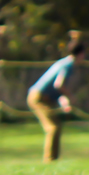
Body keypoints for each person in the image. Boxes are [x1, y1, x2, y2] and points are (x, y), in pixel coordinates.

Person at [27, 35, 84, 163]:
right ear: (80, 54)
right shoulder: (68, 64)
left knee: (57, 126)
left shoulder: (66, 62)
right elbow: (59, 85)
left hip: (44, 98)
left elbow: (57, 90)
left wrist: (64, 102)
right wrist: (71, 96)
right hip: (38, 97)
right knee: (52, 127)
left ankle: (54, 159)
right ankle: (49, 160)